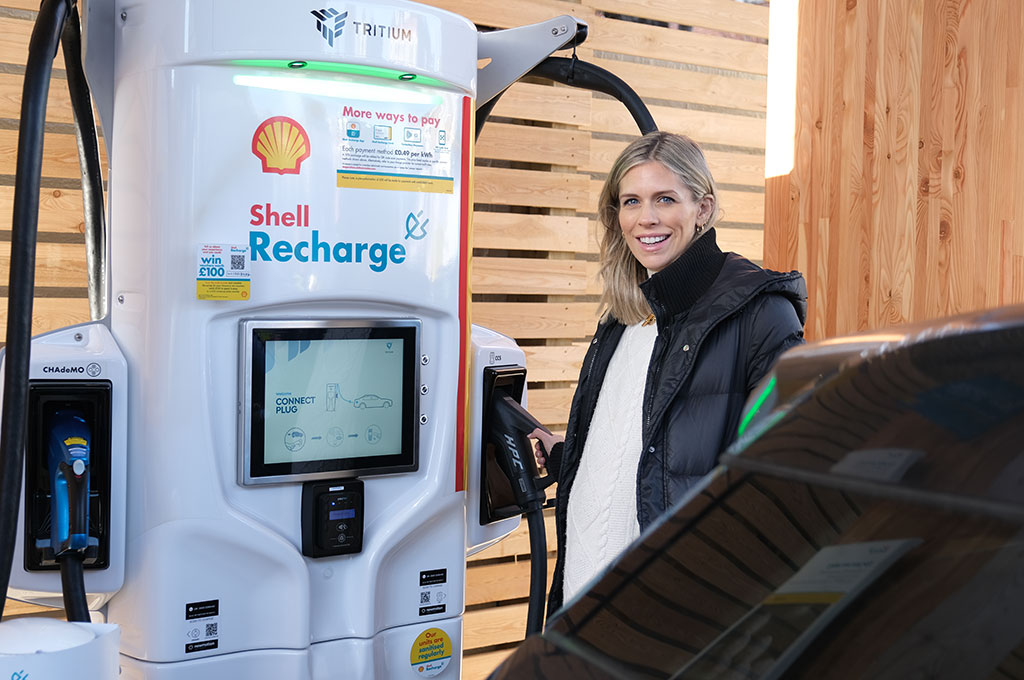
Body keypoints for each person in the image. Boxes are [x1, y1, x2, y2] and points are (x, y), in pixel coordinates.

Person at [530, 131, 807, 617]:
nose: (646, 218)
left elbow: (782, 478)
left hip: (673, 609)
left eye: (665, 199)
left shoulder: (759, 314)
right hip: (582, 592)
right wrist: (568, 453)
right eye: (631, 201)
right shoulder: (625, 317)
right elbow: (640, 445)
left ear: (703, 208)